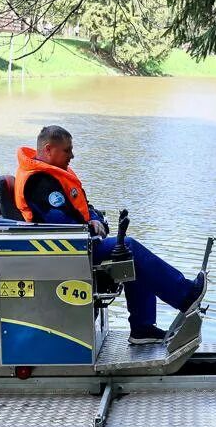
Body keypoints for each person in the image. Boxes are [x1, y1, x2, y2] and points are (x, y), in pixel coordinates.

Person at [14, 125, 205, 344]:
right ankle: (185, 295)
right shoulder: (38, 181)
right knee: (130, 247)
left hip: (78, 242)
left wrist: (94, 218)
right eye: (67, 150)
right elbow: (60, 222)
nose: (72, 155)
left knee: (127, 255)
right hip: (67, 248)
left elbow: (82, 205)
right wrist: (89, 228)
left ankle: (142, 329)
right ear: (48, 149)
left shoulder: (53, 173)